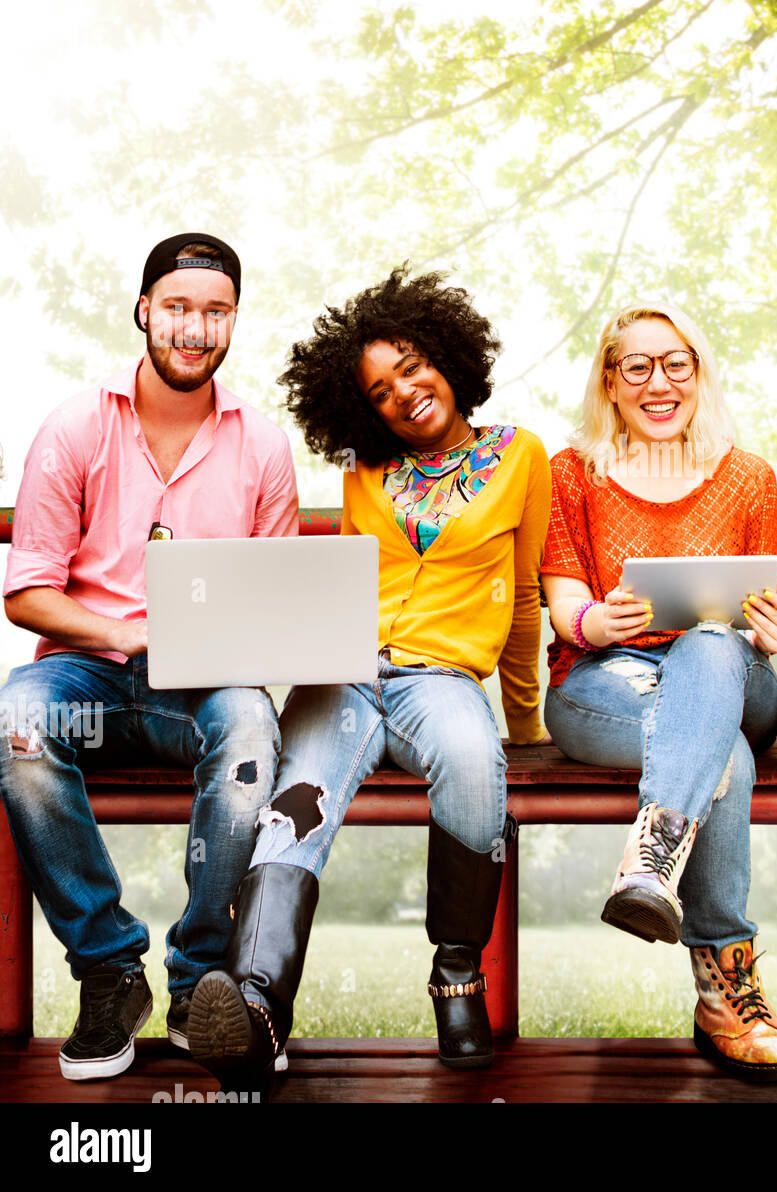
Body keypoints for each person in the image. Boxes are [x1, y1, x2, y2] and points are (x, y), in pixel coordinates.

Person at [188, 266, 549, 1081]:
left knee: (470, 758)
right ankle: (254, 1008)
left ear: (449, 357)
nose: (404, 394)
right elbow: (345, 581)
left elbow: (524, 600)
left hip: (442, 678)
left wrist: (525, 721)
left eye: (413, 366)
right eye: (380, 391)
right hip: (343, 672)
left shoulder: (523, 457)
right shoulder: (362, 467)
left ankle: (458, 973)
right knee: (295, 803)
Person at [0, 233, 296, 1081]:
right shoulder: (75, 426)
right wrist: (124, 633)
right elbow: (26, 593)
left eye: (215, 312)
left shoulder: (263, 446)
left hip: (197, 689)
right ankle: (108, 968)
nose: (195, 329)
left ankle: (201, 975)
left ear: (233, 320)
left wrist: (228, 644)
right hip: (88, 670)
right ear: (144, 311)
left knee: (248, 727)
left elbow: (272, 604)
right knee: (16, 720)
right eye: (177, 308)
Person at [540, 302, 777, 1083]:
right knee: (714, 746)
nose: (660, 383)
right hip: (606, 686)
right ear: (611, 381)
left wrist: (774, 629)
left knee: (709, 641)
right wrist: (596, 620)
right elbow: (565, 608)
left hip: (737, 677)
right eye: (638, 366)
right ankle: (729, 995)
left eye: (677, 364)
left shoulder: (749, 476)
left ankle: (651, 863)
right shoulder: (573, 473)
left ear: (699, 373)